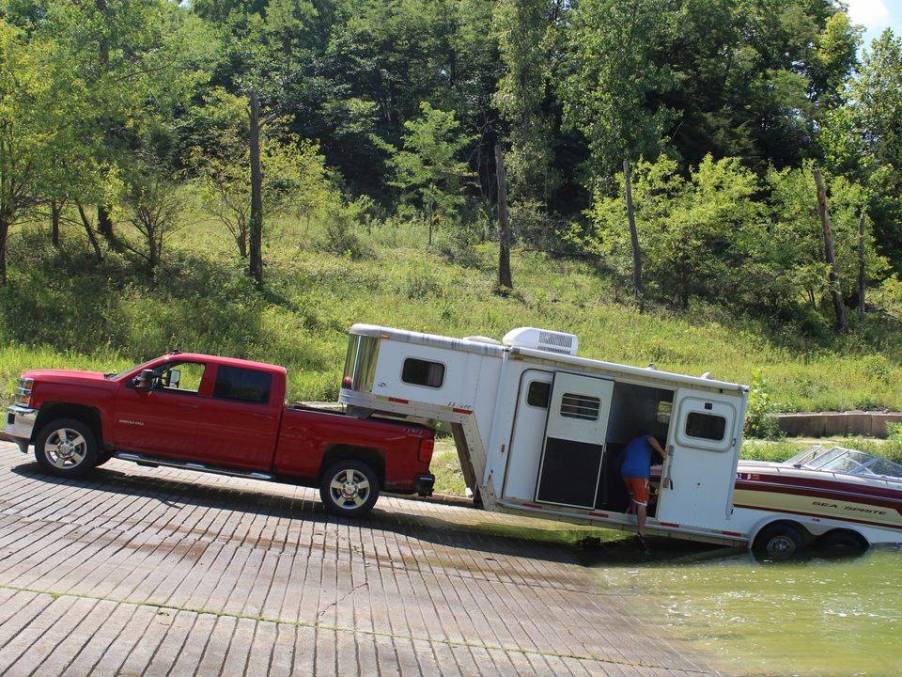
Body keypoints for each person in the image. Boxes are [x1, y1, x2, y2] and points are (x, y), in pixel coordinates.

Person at [620, 433, 667, 544]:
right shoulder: (647, 438)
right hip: (639, 474)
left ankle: (631, 511)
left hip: (625, 472)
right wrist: (663, 453)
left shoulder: (632, 442)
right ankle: (641, 532)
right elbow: (651, 440)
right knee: (642, 504)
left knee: (633, 494)